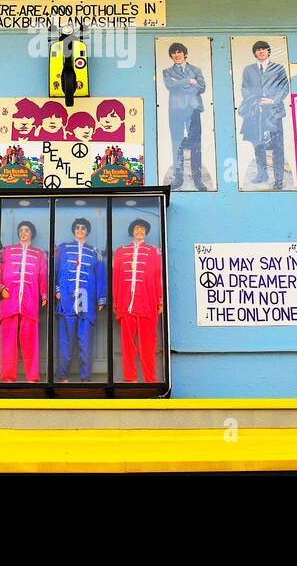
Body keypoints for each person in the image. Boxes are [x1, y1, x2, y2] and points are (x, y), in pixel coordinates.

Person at [55, 218, 106, 382]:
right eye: (77, 227)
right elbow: (53, 271)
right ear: (73, 230)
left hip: (86, 299)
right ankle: (63, 377)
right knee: (65, 341)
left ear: (87, 231)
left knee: (85, 341)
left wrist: (101, 298)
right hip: (67, 299)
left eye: (83, 227)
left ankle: (85, 377)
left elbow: (100, 276)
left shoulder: (94, 251)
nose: (80, 230)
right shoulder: (62, 249)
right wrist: (57, 290)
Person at [0, 221, 48, 382]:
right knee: (8, 342)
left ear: (31, 233)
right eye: (21, 230)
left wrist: (44, 294)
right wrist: (0, 287)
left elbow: (42, 276)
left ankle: (32, 377)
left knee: (30, 342)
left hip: (30, 302)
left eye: (26, 230)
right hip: (9, 302)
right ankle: (7, 377)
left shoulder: (39, 254)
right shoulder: (7, 251)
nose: (23, 233)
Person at [113, 220, 163, 383]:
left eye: (142, 229)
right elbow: (115, 278)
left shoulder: (153, 252)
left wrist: (159, 299)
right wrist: (116, 300)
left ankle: (150, 379)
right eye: (137, 228)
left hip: (147, 302)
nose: (140, 230)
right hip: (126, 303)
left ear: (146, 233)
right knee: (127, 345)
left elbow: (158, 277)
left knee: (148, 345)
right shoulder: (121, 252)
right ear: (132, 231)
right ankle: (130, 378)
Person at [239, 40, 288, 189]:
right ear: (254, 52)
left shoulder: (278, 69)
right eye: (258, 49)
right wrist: (256, 103)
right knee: (258, 143)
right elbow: (245, 89)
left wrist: (272, 100)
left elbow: (284, 87)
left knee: (277, 146)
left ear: (268, 51)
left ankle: (279, 179)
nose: (261, 51)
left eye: (264, 49)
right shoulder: (248, 69)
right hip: (256, 111)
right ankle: (262, 174)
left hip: (274, 112)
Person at [162, 42, 208, 190]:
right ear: (171, 56)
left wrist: (180, 84)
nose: (177, 55)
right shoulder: (167, 71)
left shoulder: (196, 69)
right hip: (176, 111)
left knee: (196, 144)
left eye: (179, 52)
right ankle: (178, 178)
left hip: (193, 110)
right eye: (173, 53)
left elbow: (202, 87)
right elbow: (170, 85)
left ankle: (197, 179)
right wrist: (189, 81)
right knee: (177, 143)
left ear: (185, 53)